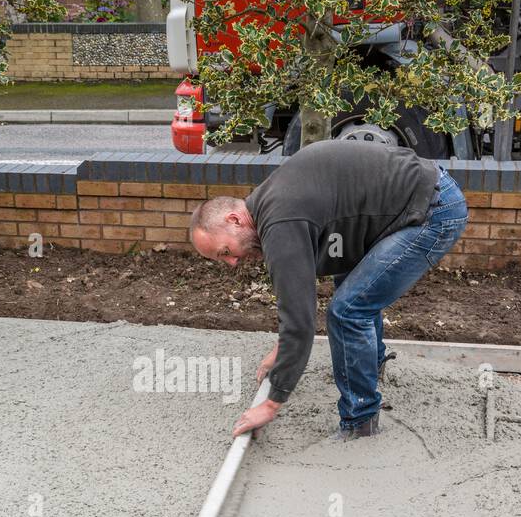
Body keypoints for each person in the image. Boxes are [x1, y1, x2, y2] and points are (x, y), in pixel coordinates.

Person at [189, 139, 468, 440]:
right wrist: (283, 349)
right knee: (351, 292)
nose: (231, 262)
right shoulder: (272, 206)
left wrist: (272, 402)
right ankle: (370, 370)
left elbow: (300, 320)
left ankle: (359, 421)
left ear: (234, 220)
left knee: (348, 310)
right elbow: (296, 307)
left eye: (224, 251)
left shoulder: (281, 222)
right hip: (413, 198)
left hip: (431, 210)